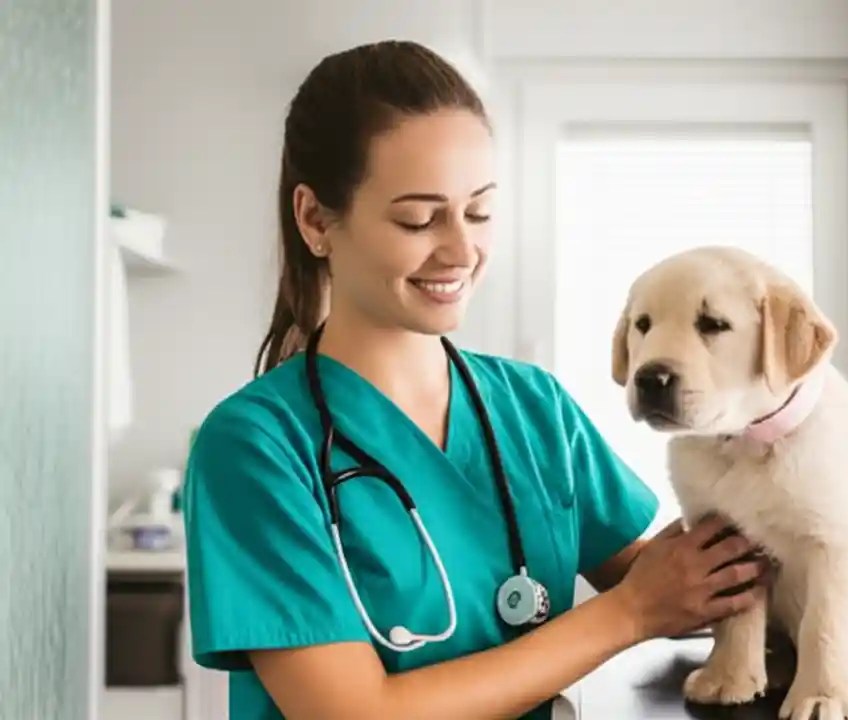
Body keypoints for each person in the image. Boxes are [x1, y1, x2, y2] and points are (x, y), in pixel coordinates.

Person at [181, 40, 769, 720]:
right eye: (418, 218)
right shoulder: (255, 448)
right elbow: (352, 712)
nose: (462, 250)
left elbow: (667, 580)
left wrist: (804, 534)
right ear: (316, 220)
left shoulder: (532, 406)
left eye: (480, 211)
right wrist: (627, 615)